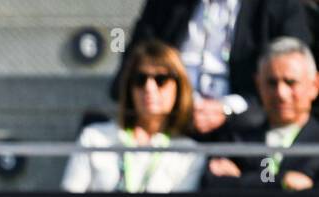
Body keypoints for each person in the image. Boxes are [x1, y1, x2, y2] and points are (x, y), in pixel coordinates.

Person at [112, 0, 311, 137]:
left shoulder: (279, 5)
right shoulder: (166, 5)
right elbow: (128, 75)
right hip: (168, 128)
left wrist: (226, 108)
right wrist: (174, 102)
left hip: (244, 134)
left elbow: (296, 80)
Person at [63, 39, 203, 192]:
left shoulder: (189, 153)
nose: (149, 88)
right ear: (129, 87)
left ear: (179, 87)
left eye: (161, 80)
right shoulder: (94, 137)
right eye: (140, 79)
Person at [203, 35, 319, 187]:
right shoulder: (237, 136)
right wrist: (281, 180)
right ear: (258, 84)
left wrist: (242, 179)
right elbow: (215, 181)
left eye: (291, 82)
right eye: (272, 83)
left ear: (315, 85)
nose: (281, 93)